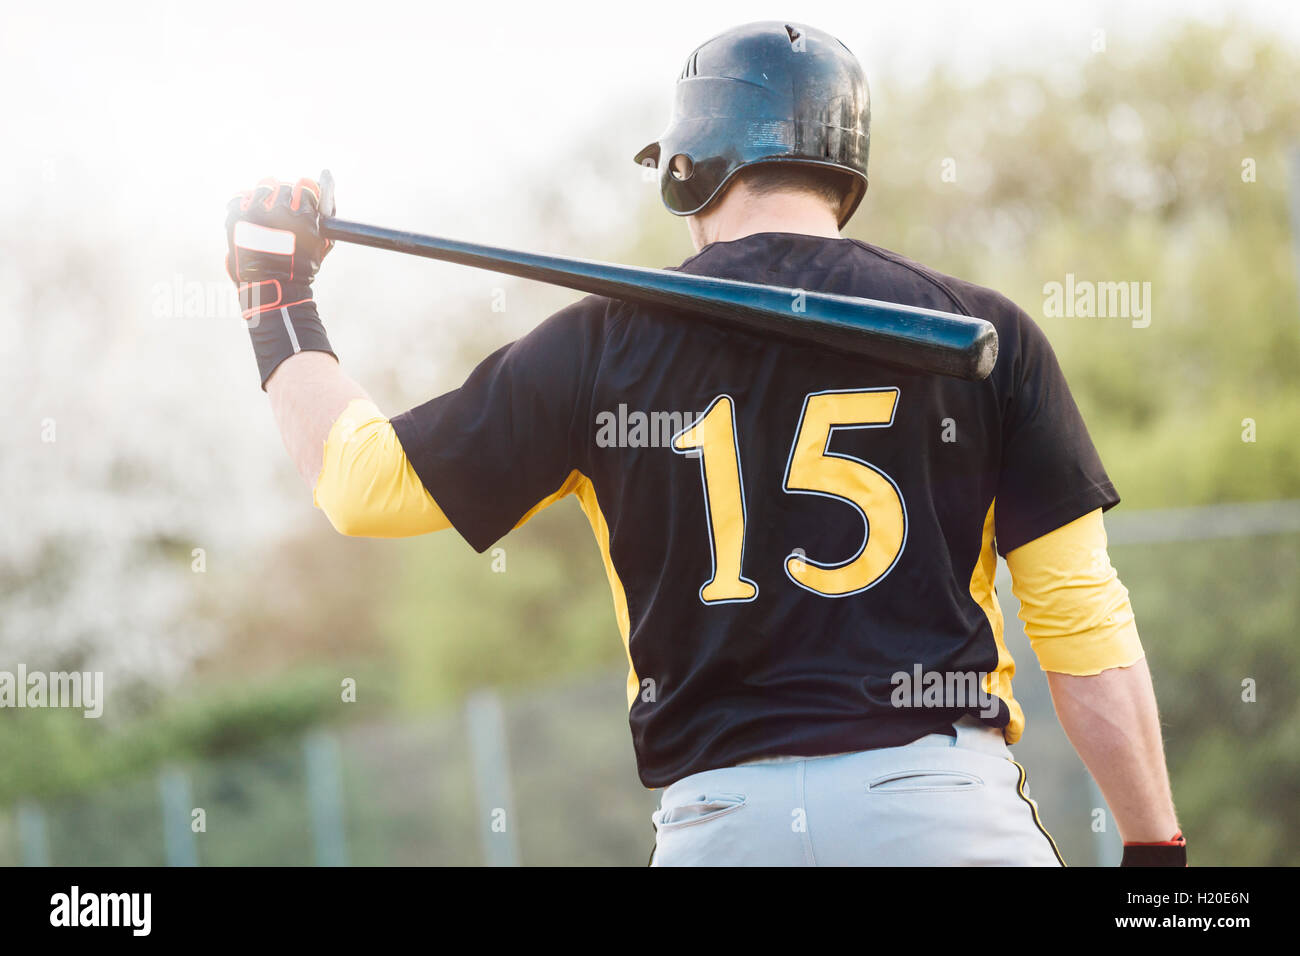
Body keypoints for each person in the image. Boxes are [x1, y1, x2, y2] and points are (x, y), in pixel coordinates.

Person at [223, 21, 1184, 866]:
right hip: (934, 807)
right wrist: (1156, 853)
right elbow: (1082, 625)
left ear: (687, 168)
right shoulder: (983, 333)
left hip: (719, 822)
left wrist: (277, 299)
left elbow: (359, 485)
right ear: (844, 166)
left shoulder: (595, 348)